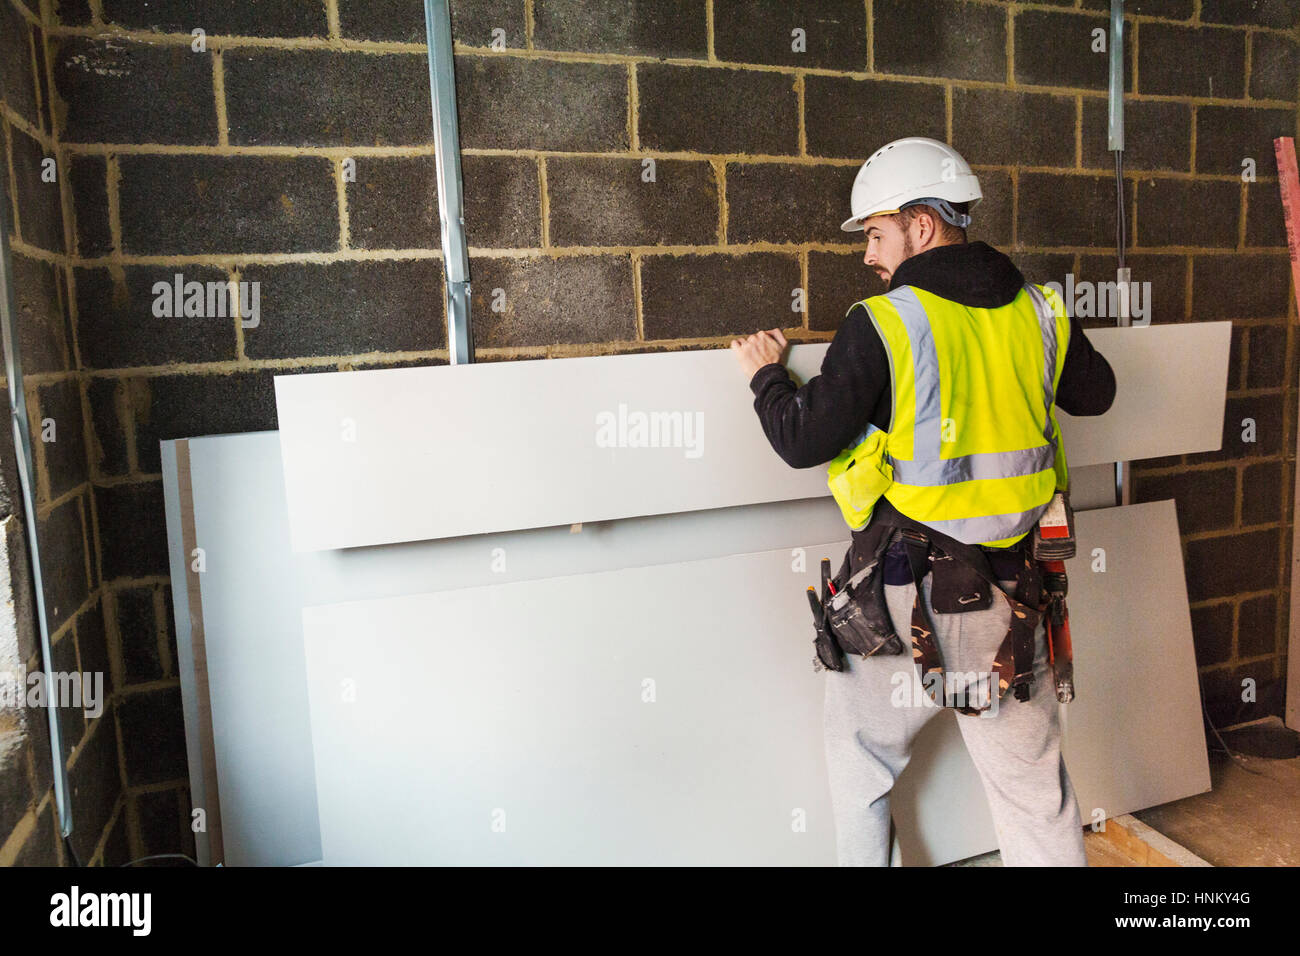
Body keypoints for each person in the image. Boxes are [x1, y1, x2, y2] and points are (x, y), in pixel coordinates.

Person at [729, 136, 1116, 866]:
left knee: (861, 761)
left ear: (923, 225)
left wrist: (764, 377)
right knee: (1037, 797)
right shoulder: (1040, 312)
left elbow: (801, 438)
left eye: (876, 234)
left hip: (911, 597)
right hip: (1014, 597)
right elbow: (1097, 393)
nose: (869, 256)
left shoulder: (886, 322)